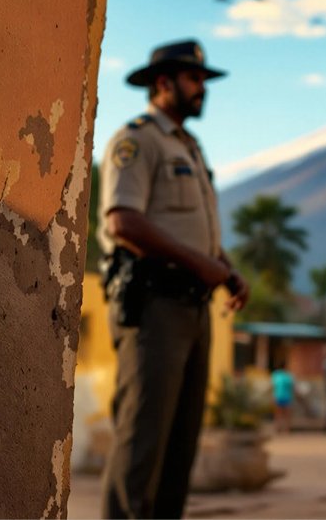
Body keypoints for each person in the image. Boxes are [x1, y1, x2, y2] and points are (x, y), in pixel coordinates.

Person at [98, 39, 250, 518]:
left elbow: (192, 229)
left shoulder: (189, 146)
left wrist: (224, 267)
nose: (202, 88)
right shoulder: (137, 140)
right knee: (142, 446)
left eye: (203, 79)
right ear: (163, 83)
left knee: (180, 450)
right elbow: (122, 221)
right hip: (154, 307)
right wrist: (198, 264)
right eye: (193, 79)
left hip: (194, 307)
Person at [270, 361, 295, 434]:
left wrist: (272, 397)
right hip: (286, 396)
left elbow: (273, 386)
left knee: (278, 414)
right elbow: (292, 387)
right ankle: (287, 429)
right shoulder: (288, 375)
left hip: (278, 396)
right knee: (286, 414)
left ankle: (278, 428)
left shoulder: (276, 375)